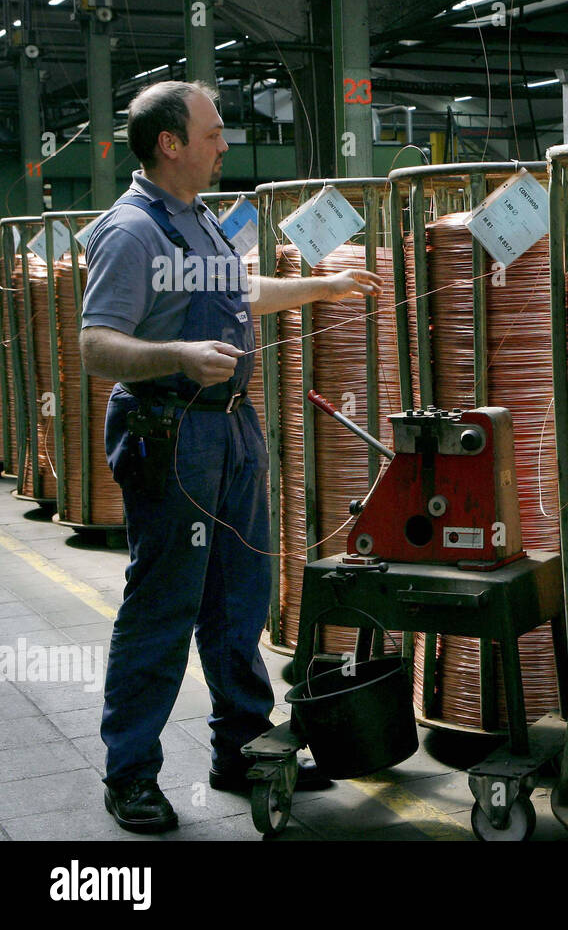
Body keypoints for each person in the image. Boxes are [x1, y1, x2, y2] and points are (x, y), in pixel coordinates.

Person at [80, 80, 383, 833]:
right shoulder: (131, 232)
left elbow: (241, 293)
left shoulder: (199, 222)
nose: (225, 145)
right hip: (172, 433)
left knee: (237, 599)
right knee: (164, 605)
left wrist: (326, 286)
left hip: (230, 432)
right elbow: (94, 344)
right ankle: (131, 775)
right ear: (170, 144)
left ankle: (241, 749)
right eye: (213, 133)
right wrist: (176, 353)